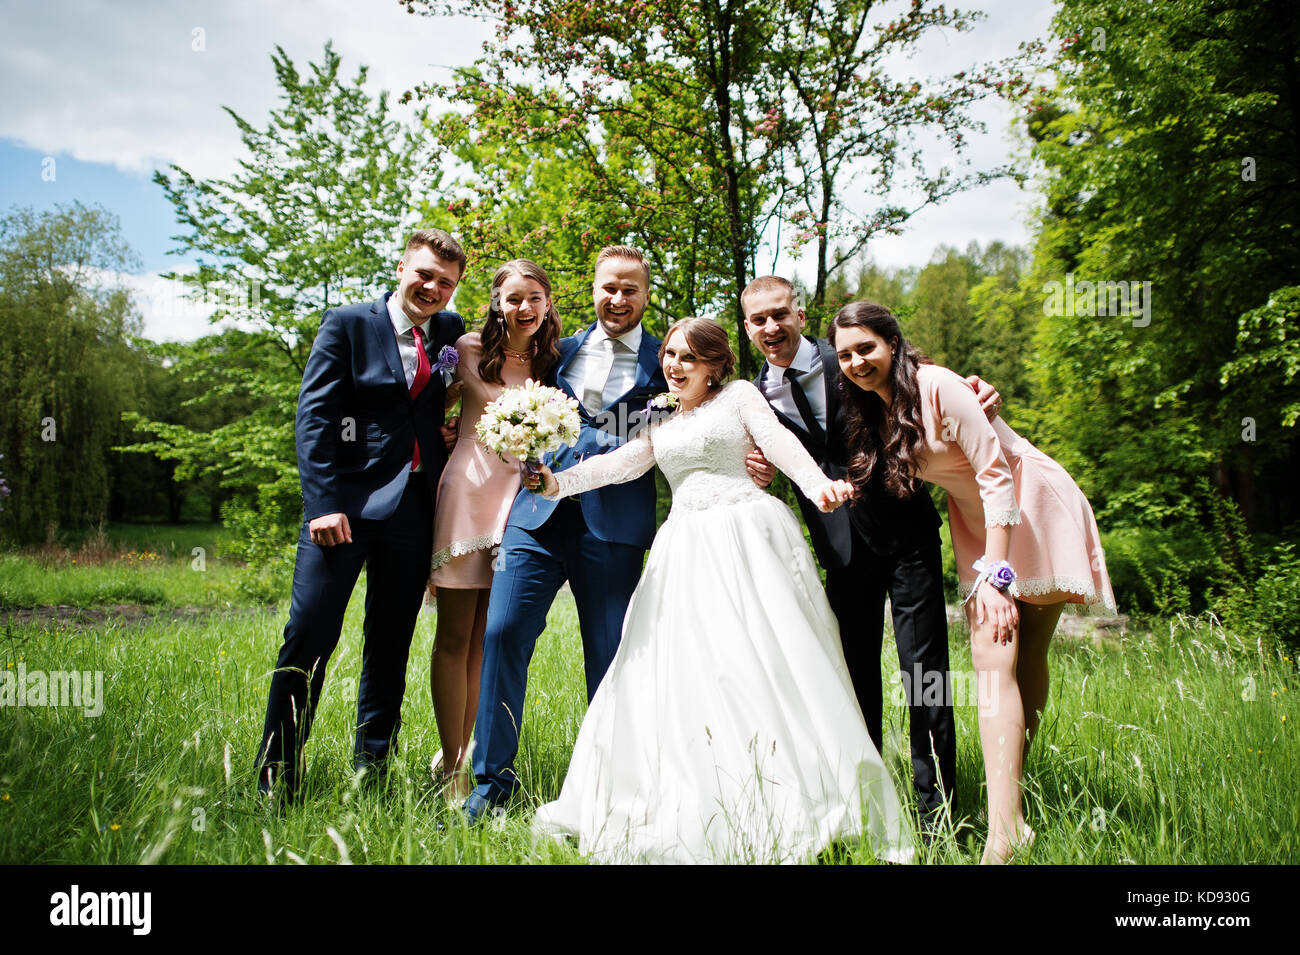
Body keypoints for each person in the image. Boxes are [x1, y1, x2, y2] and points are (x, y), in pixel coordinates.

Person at [526, 317, 912, 863]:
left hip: (747, 536)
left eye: (688, 357)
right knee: (682, 669)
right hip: (684, 548)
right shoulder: (660, 417)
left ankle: (798, 792)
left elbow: (777, 442)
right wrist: (558, 483)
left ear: (714, 364)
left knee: (765, 662)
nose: (674, 365)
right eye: (670, 356)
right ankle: (697, 793)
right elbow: (620, 465)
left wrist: (817, 484)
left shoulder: (739, 396)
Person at [829, 300, 1115, 864]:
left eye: (866, 347)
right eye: (845, 354)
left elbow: (997, 473)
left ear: (893, 343)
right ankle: (1012, 819)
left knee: (1017, 651)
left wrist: (997, 575)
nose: (857, 361)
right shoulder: (871, 409)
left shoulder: (938, 385)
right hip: (977, 522)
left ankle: (1006, 825)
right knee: (998, 659)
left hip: (1027, 506)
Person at [740, 275, 1000, 828]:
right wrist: (761, 469)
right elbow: (776, 461)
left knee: (924, 673)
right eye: (758, 319)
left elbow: (920, 384)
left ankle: (938, 815)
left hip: (906, 533)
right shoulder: (754, 395)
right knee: (853, 679)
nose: (771, 327)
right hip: (839, 551)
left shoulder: (850, 356)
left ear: (800, 315)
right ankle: (869, 810)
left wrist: (976, 393)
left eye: (780, 314)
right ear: (747, 328)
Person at [254, 229, 467, 801]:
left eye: (446, 282)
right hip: (343, 511)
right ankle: (275, 777)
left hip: (415, 513)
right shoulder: (348, 324)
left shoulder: (449, 333)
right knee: (308, 637)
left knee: (391, 642)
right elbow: (315, 419)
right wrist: (322, 505)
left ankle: (371, 772)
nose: (432, 288)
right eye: (424, 274)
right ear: (401, 268)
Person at [463, 246, 669, 821]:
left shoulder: (666, 361)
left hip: (614, 528)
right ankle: (490, 785)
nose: (617, 298)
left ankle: (608, 789)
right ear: (594, 288)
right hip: (536, 518)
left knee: (607, 656)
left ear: (644, 294)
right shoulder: (559, 351)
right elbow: (498, 382)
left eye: (630, 289)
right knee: (502, 633)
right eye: (609, 287)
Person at [427, 259, 562, 799]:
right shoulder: (465, 350)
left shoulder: (554, 361)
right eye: (512, 298)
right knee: (456, 636)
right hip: (469, 496)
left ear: (547, 302)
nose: (523, 308)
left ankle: (466, 753)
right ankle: (454, 766)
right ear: (495, 302)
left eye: (534, 297)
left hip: (522, 505)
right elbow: (429, 410)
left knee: (491, 635)